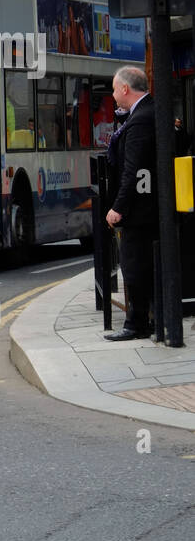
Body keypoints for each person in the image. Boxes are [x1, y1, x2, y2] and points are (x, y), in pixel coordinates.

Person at [104, 66, 158, 341]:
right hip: (148, 209)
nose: (113, 96)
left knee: (134, 267)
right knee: (141, 266)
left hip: (140, 212)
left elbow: (133, 170)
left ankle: (136, 324)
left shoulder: (139, 121)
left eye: (114, 89)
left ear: (125, 89)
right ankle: (146, 320)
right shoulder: (148, 112)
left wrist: (118, 208)